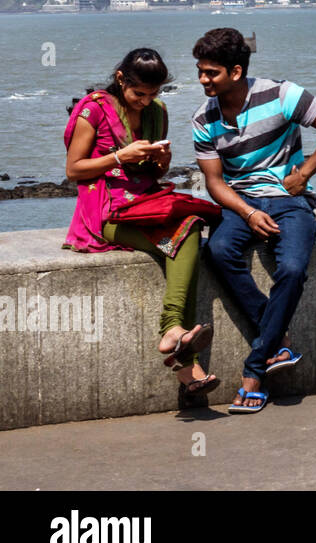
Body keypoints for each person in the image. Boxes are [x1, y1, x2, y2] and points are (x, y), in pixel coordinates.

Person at [191, 28, 316, 414]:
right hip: (240, 202)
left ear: (235, 71)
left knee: (293, 268)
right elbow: (214, 182)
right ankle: (276, 342)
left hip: (289, 200)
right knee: (218, 250)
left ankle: (253, 372)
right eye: (200, 71)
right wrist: (247, 211)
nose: (202, 80)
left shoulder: (282, 94)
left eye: (210, 73)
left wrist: (305, 173)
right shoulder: (203, 118)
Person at [63, 48, 220, 396]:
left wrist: (162, 161)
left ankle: (175, 334)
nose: (146, 102)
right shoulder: (93, 109)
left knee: (189, 227)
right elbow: (73, 169)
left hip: (147, 205)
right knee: (182, 243)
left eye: (154, 94)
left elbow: (154, 173)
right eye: (139, 94)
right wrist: (119, 156)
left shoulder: (157, 112)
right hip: (105, 211)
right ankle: (182, 353)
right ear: (121, 80)